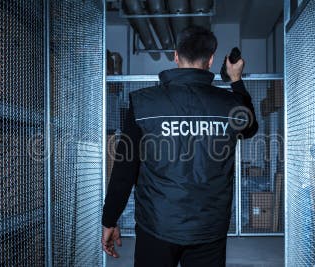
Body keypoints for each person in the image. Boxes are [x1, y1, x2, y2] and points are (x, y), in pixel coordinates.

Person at [101, 25, 258, 267]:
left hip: (156, 226)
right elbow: (250, 128)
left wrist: (110, 220)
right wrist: (236, 81)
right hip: (209, 228)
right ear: (211, 59)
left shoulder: (143, 103)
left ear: (175, 55)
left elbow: (124, 170)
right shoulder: (230, 104)